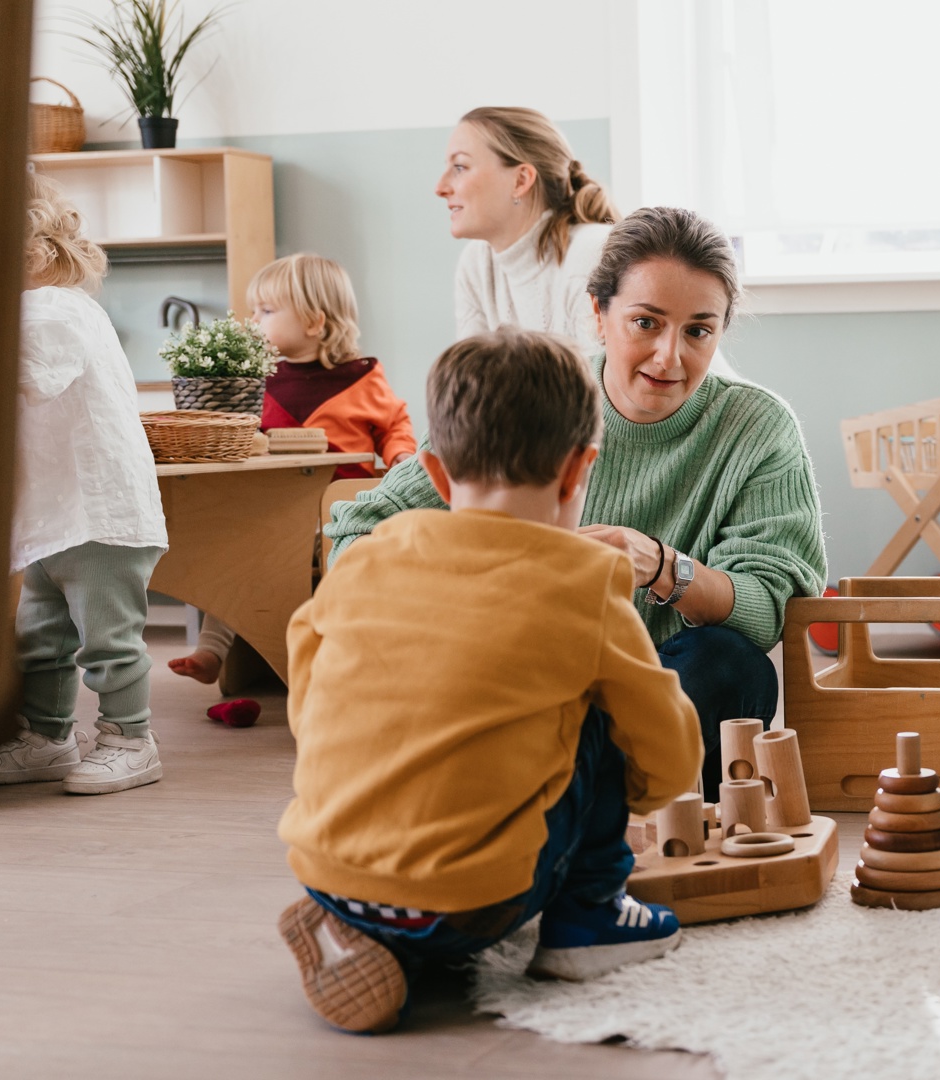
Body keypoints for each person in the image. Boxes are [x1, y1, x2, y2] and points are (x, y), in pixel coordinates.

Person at [277, 328, 703, 1034]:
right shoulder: (588, 578)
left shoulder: (367, 558)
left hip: (326, 864)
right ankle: (587, 922)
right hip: (478, 904)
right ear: (578, 473)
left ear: (437, 476)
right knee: (599, 717)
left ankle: (366, 931)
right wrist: (648, 798)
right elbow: (667, 747)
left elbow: (306, 681)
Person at [326, 206, 828, 794]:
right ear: (598, 312)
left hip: (663, 683)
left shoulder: (758, 426)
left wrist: (664, 567)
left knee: (731, 665)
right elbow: (358, 533)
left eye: (698, 330)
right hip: (520, 679)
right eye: (646, 323)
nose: (670, 356)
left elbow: (771, 607)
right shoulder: (533, 396)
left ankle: (571, 792)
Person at [0, 171, 167, 795]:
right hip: (57, 514)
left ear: (30, 256)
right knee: (41, 637)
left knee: (108, 640)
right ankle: (49, 736)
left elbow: (25, 374)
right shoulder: (40, 310)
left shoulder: (55, 310)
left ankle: (130, 738)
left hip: (100, 514)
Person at [169, 252, 417, 686]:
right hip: (275, 513)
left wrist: (399, 456)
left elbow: (394, 423)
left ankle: (345, 656)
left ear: (314, 323)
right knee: (235, 554)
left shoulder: (362, 377)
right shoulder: (256, 383)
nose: (253, 321)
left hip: (343, 511)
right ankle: (212, 651)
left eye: (265, 311)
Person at [436, 106, 735, 375]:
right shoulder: (477, 264)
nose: (441, 187)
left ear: (521, 180)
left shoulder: (589, 254)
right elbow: (471, 389)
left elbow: (609, 408)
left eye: (460, 167)